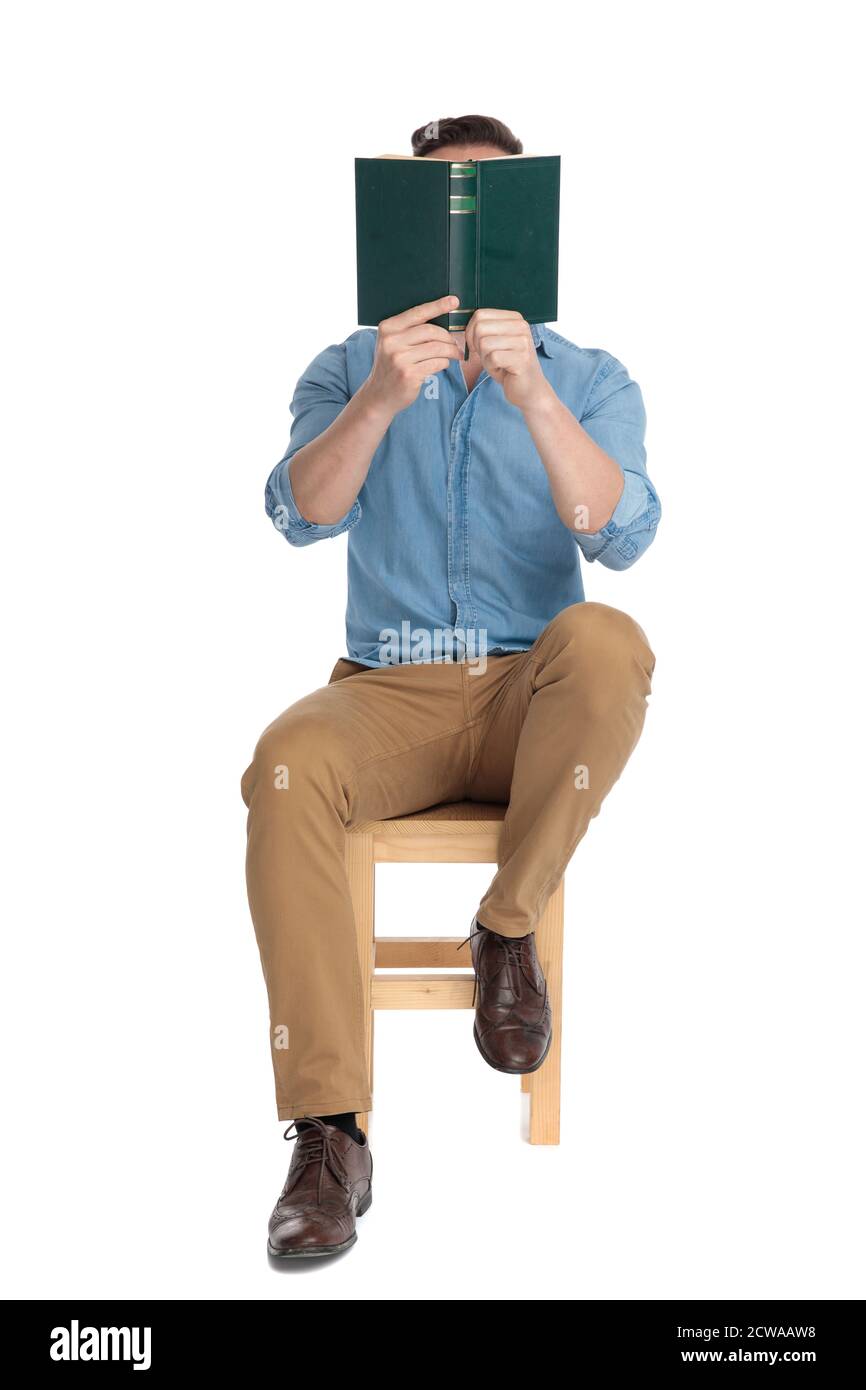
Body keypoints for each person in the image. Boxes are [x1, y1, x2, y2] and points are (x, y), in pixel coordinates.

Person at [242, 114, 661, 1259]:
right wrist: (379, 397)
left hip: (538, 687)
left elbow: (617, 532)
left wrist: (531, 395)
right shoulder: (347, 365)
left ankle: (503, 926)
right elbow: (298, 514)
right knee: (283, 762)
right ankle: (330, 1134)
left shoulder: (586, 376)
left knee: (612, 636)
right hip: (393, 692)